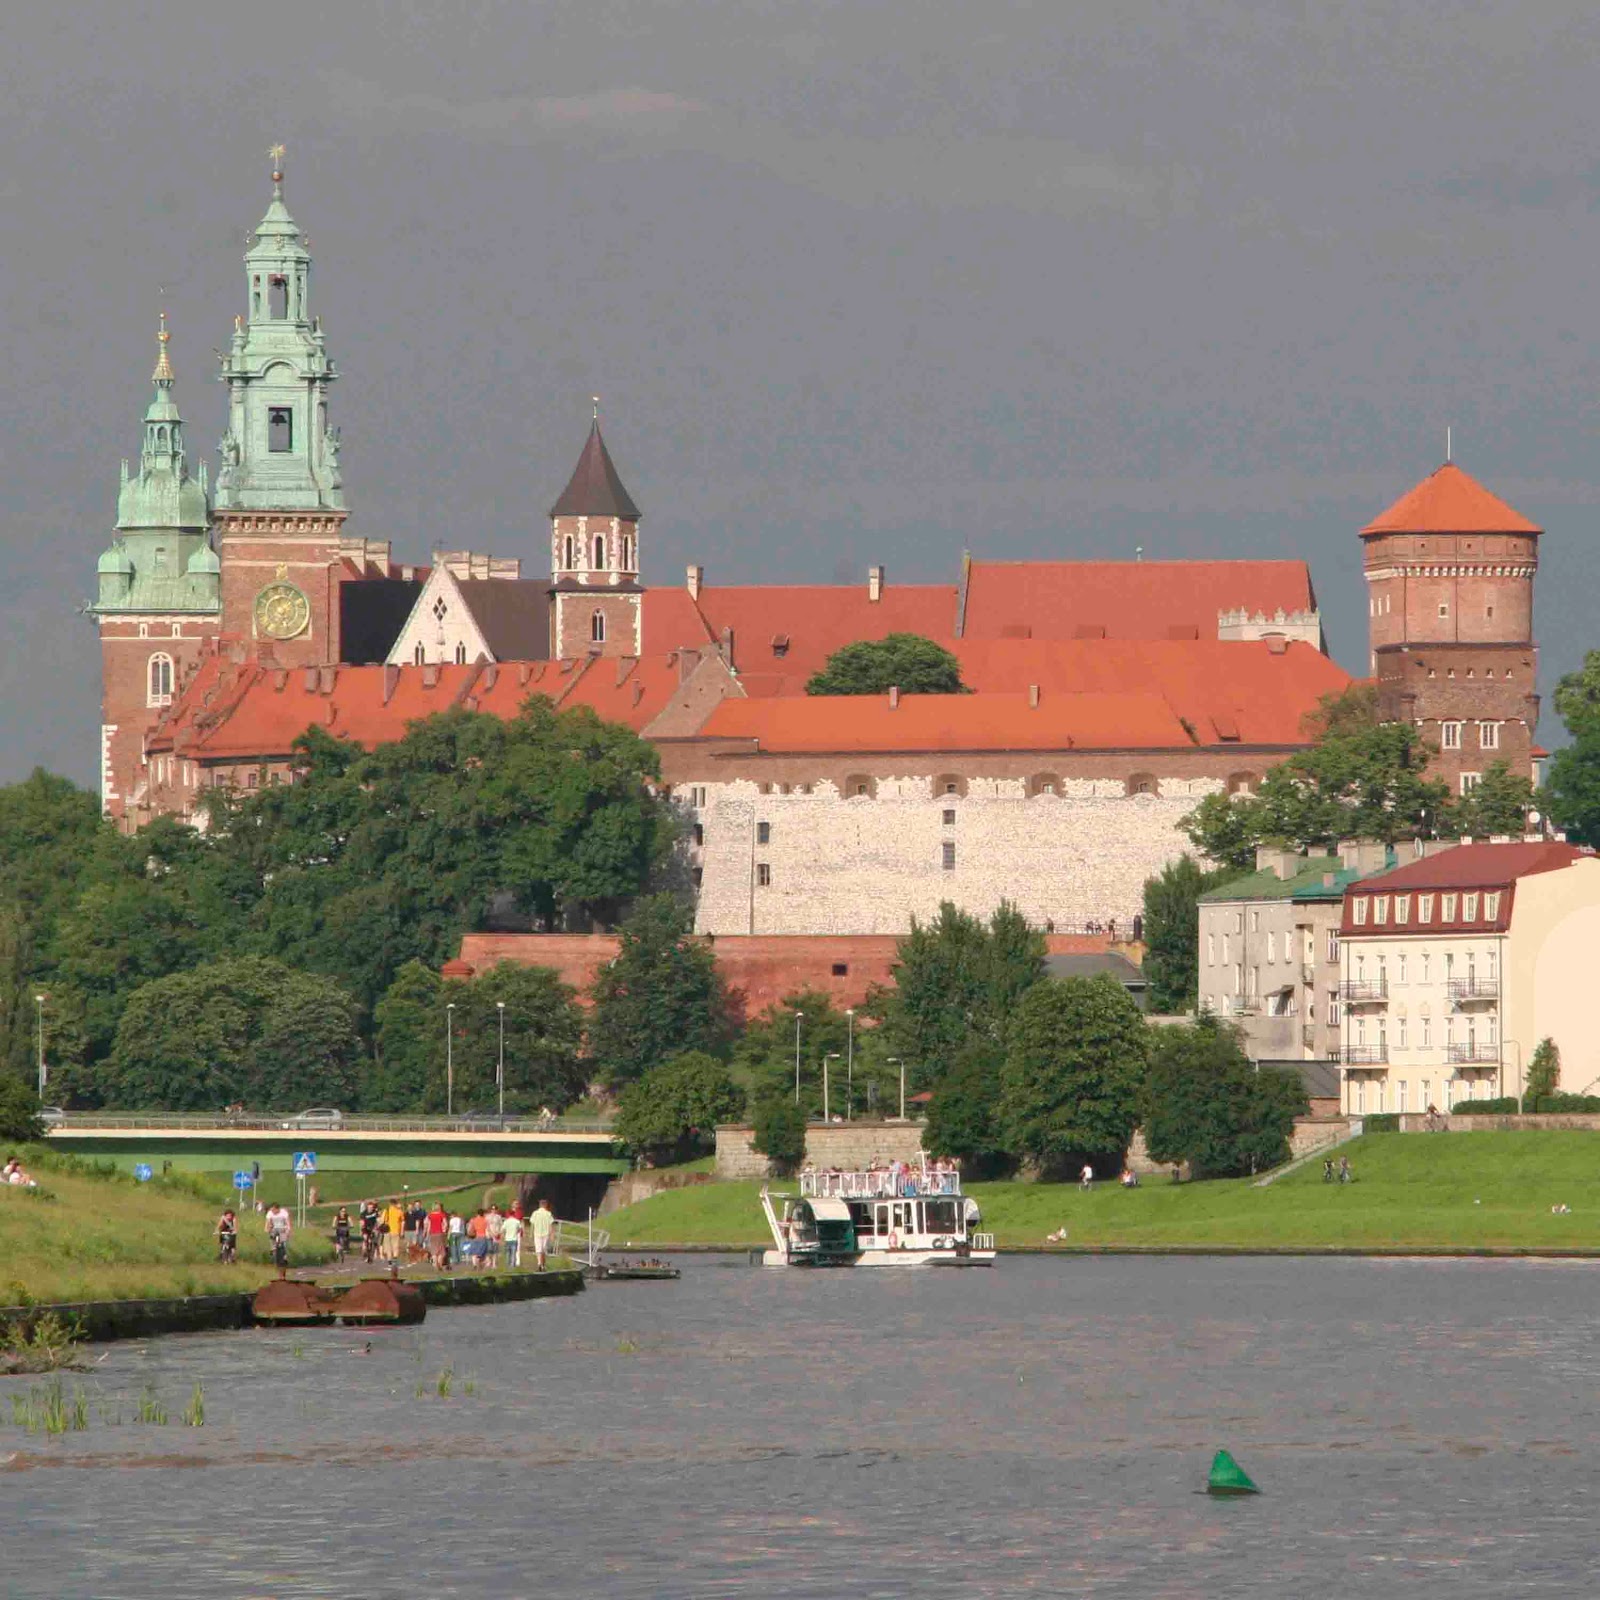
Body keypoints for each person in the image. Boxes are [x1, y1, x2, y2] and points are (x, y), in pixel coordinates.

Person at [265, 1203, 292, 1269]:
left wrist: (288, 1230)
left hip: (283, 1229)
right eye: (271, 1210)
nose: (273, 1212)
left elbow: (288, 1222)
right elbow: (268, 1222)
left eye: (274, 1210)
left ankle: (284, 1256)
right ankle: (273, 1249)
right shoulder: (270, 1213)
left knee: (283, 1243)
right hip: (274, 1229)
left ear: (277, 1209)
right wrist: (266, 1228)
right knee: (272, 1238)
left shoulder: (283, 1213)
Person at [531, 1197, 555, 1270]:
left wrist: (531, 1233)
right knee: (543, 1250)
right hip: (545, 1234)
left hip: (537, 1233)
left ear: (540, 1205)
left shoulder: (535, 1213)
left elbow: (532, 1224)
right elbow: (550, 1225)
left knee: (538, 1250)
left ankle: (539, 1263)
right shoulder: (548, 1214)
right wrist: (552, 1235)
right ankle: (543, 1265)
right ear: (546, 1205)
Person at [426, 1200, 449, 1269]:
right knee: (441, 1251)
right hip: (440, 1233)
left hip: (432, 1234)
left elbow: (428, 1225)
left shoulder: (430, 1215)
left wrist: (427, 1234)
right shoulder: (442, 1214)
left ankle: (435, 1265)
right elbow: (446, 1224)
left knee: (434, 1251)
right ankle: (439, 1264)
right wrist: (444, 1230)